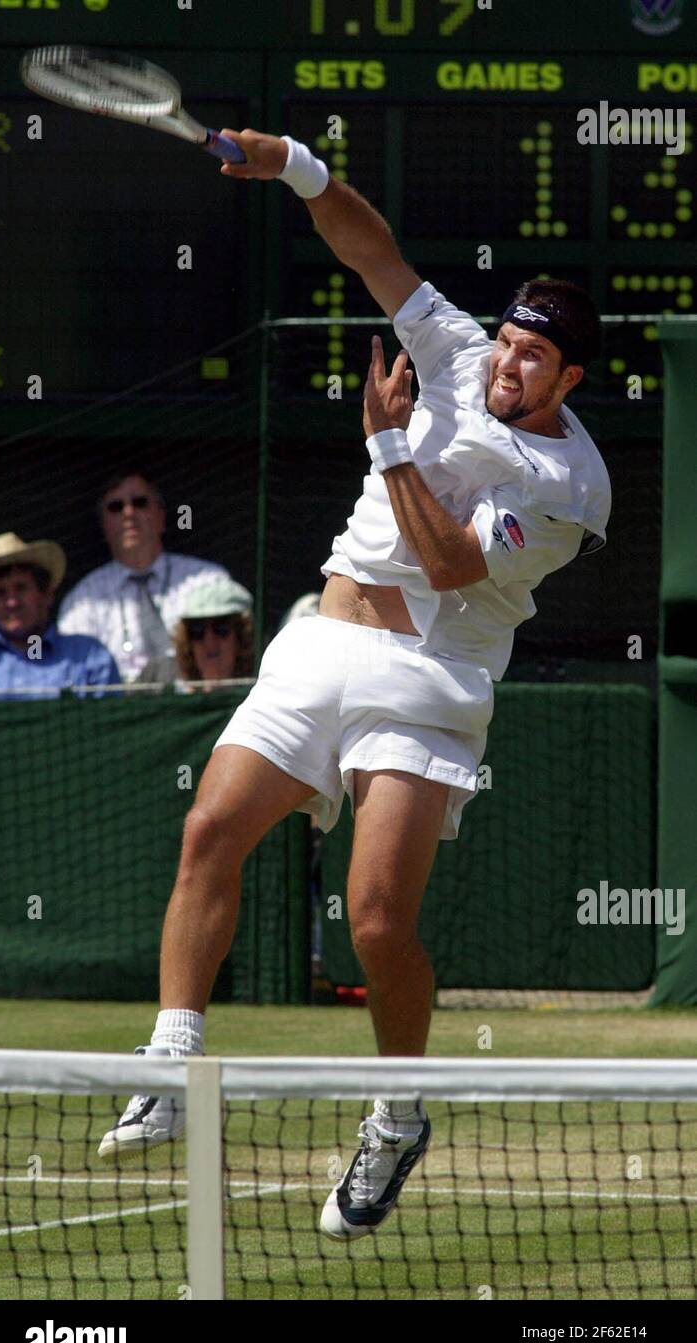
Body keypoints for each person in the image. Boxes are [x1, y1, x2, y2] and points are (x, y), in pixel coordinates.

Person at [98, 131, 611, 1242]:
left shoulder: (571, 485)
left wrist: (387, 447)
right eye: (508, 342)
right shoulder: (455, 348)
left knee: (376, 920)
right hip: (321, 642)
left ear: (570, 381)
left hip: (429, 673)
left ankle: (395, 1112)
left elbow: (451, 568)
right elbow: (370, 250)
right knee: (208, 830)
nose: (506, 363)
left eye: (533, 358)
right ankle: (172, 1051)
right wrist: (290, 165)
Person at [58, 472, 229, 682]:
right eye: (116, 507)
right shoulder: (81, 602)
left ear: (161, 517)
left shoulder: (207, 580)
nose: (128, 513)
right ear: (103, 526)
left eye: (140, 503)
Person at [0, 532, 119, 698]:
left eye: (21, 588)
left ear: (47, 595)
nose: (12, 603)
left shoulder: (88, 657)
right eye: (0, 593)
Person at [136, 575, 255, 689]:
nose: (209, 641)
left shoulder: (267, 688)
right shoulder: (156, 678)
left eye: (221, 628)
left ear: (242, 636)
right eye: (197, 630)